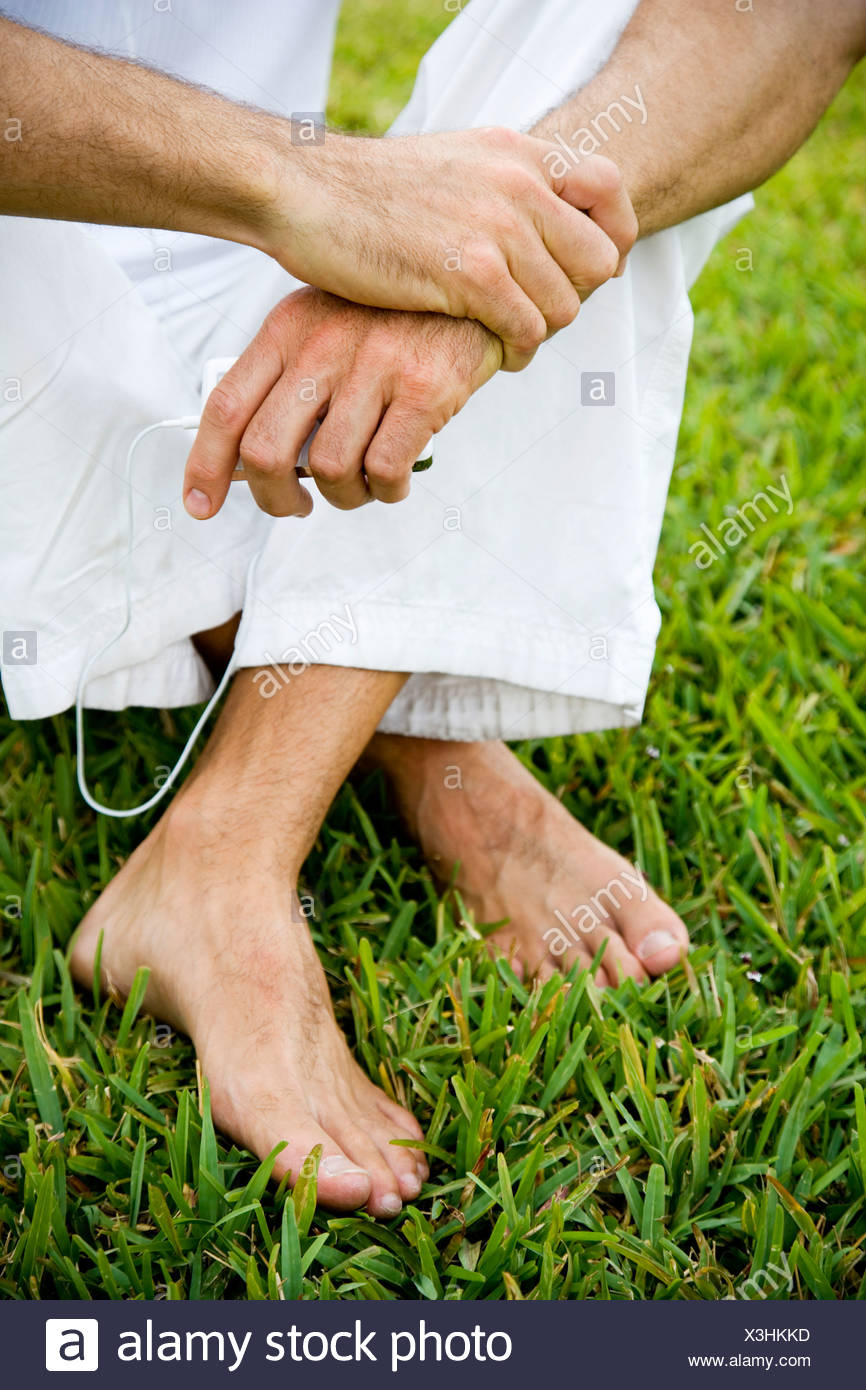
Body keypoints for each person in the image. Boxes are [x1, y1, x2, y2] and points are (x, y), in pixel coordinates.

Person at [1, 0, 863, 1221]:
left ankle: (232, 834)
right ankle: (393, 724)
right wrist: (306, 187)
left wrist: (465, 263)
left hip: (253, 294)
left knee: (605, 69)